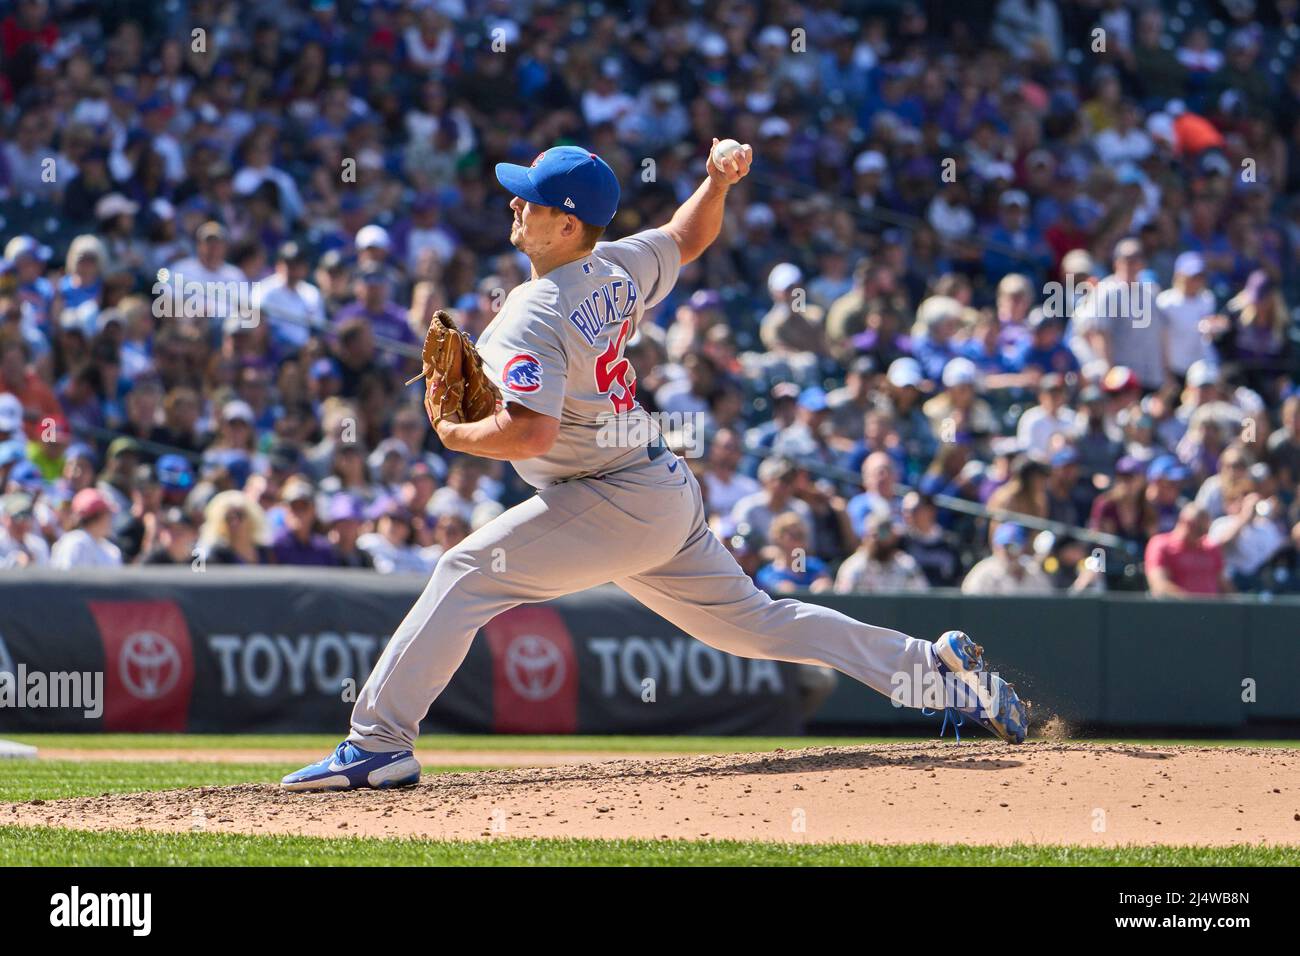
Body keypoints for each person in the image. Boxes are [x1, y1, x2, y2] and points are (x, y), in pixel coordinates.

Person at [283, 141, 1029, 791]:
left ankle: (378, 745)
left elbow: (532, 436)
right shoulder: (614, 268)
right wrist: (718, 181)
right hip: (654, 489)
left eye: (533, 200)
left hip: (608, 495)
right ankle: (935, 673)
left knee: (466, 572)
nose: (517, 204)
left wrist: (454, 432)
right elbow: (686, 234)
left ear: (565, 222)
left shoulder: (531, 312)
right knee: (757, 624)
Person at [1145, 502, 1230, 596]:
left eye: (1205, 531)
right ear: (1183, 522)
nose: (1202, 535)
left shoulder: (1211, 548)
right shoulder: (1160, 544)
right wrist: (1192, 603)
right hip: (1177, 608)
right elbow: (1159, 585)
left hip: (1212, 608)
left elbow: (1224, 583)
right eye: (1198, 529)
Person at [960, 523, 1054, 595]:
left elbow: (1048, 605)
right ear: (996, 547)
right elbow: (968, 607)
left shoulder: (1033, 572)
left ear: (1023, 548)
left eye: (1014, 547)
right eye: (1004, 547)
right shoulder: (983, 572)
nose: (1008, 553)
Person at [50, 488, 123, 570]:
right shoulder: (75, 542)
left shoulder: (112, 550)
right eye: (108, 514)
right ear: (96, 517)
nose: (111, 519)